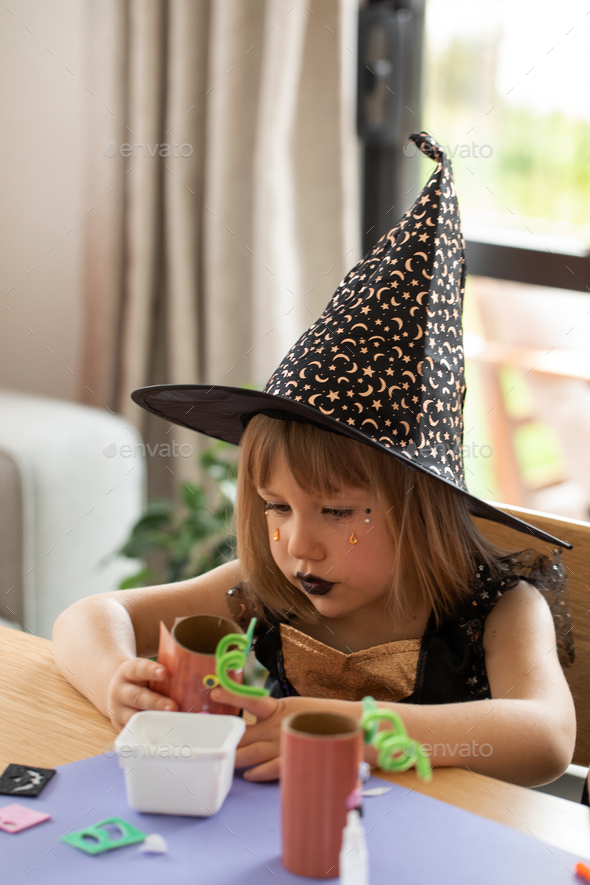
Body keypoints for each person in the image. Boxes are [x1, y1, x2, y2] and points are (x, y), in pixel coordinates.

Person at [53, 132, 576, 788]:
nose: (298, 543)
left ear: (422, 505)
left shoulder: (495, 609)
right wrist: (113, 680)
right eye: (276, 506)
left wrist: (356, 729)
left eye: (336, 511)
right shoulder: (268, 590)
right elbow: (86, 618)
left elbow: (546, 739)